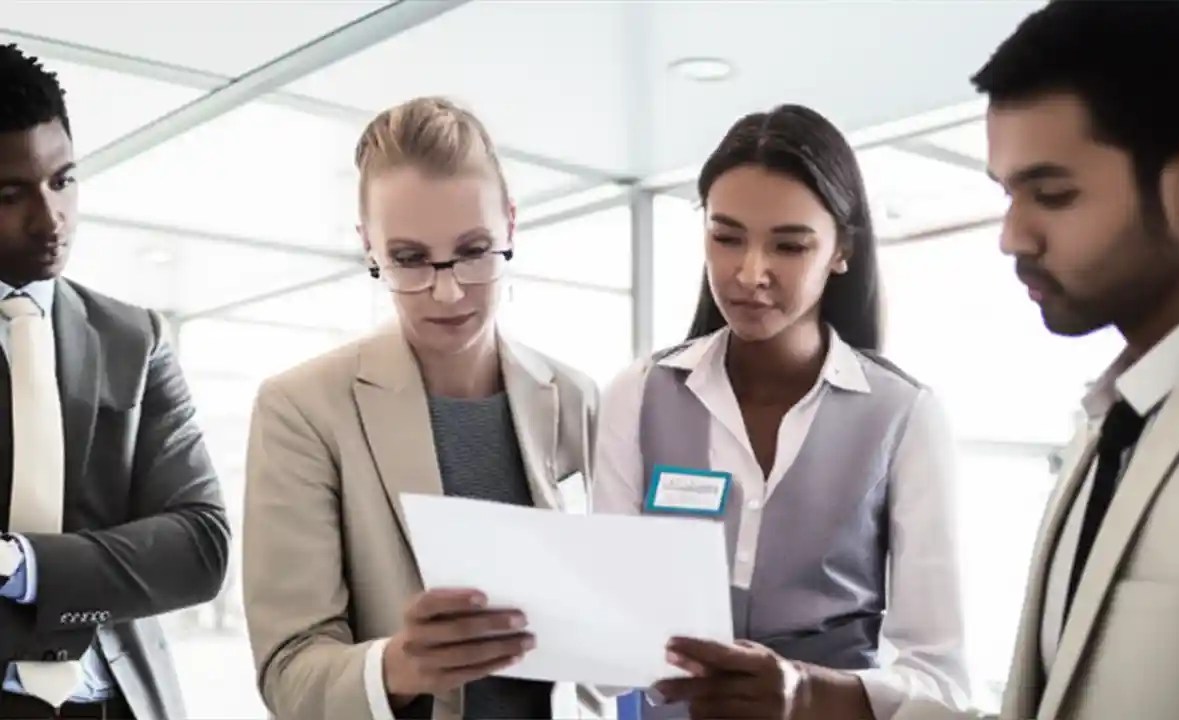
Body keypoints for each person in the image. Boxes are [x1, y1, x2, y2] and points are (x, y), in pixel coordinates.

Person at [900, 2, 1179, 719]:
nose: (1012, 237)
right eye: (1008, 195)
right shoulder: (1118, 418)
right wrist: (832, 705)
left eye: (1051, 194)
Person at [593, 104, 970, 720]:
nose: (749, 273)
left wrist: (803, 692)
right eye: (726, 237)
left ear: (841, 250)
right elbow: (605, 634)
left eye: (789, 245)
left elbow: (942, 679)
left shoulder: (906, 416)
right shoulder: (636, 396)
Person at [242, 97, 604, 720]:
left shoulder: (578, 399)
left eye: (474, 250)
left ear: (511, 226)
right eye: (409, 259)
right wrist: (400, 666)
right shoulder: (302, 409)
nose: (447, 289)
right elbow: (287, 673)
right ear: (369, 248)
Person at [0, 44, 231, 720]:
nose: (51, 219)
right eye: (9, 195)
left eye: (63, 180)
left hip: (120, 703)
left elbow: (199, 546)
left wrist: (18, 565)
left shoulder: (136, 338)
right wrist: (114, 559)